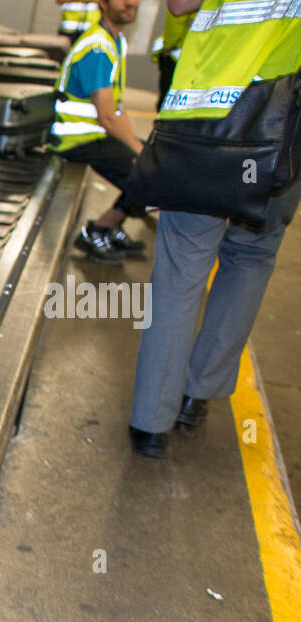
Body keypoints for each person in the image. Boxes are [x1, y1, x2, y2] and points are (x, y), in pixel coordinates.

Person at [128, 0, 301, 458]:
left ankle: (150, 423)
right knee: (250, 258)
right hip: (276, 128)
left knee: (180, 271)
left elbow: (180, 5)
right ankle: (196, 396)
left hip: (202, 116)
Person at [49, 0, 147, 263]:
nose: (131, 3)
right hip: (76, 140)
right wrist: (139, 152)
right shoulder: (97, 47)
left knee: (153, 161)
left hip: (96, 136)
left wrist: (139, 147)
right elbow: (106, 116)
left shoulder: (114, 41)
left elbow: (117, 107)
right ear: (102, 3)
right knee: (151, 176)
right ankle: (97, 230)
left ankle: (110, 227)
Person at [148, 8, 192, 108]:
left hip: (177, 54)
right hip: (195, 55)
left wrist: (168, 46)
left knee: (166, 99)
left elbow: (176, 21)